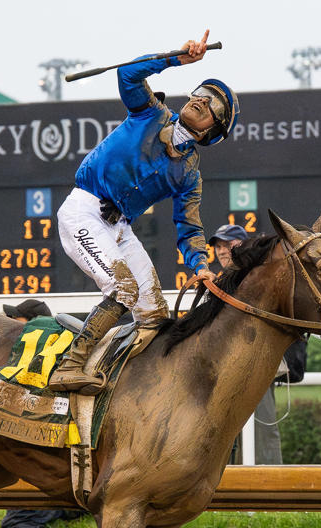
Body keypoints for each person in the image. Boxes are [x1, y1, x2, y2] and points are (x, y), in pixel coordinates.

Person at [50, 29, 240, 395]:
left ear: (211, 133)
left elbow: (189, 227)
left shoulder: (190, 175)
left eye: (212, 105)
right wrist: (178, 58)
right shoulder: (149, 112)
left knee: (154, 314)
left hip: (120, 228)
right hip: (83, 212)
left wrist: (200, 267)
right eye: (201, 93)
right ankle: (70, 365)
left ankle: (125, 383)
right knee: (123, 288)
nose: (201, 101)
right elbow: (129, 74)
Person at [208, 224, 307, 464]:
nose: (221, 251)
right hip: (229, 368)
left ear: (242, 246)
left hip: (257, 365)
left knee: (261, 431)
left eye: (227, 244)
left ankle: (273, 490)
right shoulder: (223, 280)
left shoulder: (258, 276)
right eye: (218, 246)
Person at [0, 299, 84, 528]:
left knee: (20, 520)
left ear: (33, 325)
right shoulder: (69, 356)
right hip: (79, 474)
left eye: (17, 319)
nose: (11, 324)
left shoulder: (34, 362)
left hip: (56, 472)